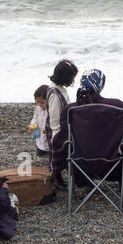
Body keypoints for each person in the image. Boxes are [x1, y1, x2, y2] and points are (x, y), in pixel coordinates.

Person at [45, 60, 77, 190]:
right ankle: (56, 177)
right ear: (65, 77)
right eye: (72, 77)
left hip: (64, 126)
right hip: (57, 128)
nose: (73, 80)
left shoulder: (61, 89)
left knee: (65, 153)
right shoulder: (54, 93)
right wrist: (55, 135)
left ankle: (66, 175)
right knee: (57, 154)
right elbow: (54, 117)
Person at [29, 85, 51, 157]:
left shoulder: (51, 110)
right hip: (39, 137)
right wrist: (32, 125)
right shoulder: (38, 109)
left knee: (49, 154)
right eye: (37, 102)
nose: (40, 104)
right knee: (39, 154)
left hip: (48, 139)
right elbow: (34, 119)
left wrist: (48, 129)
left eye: (42, 102)